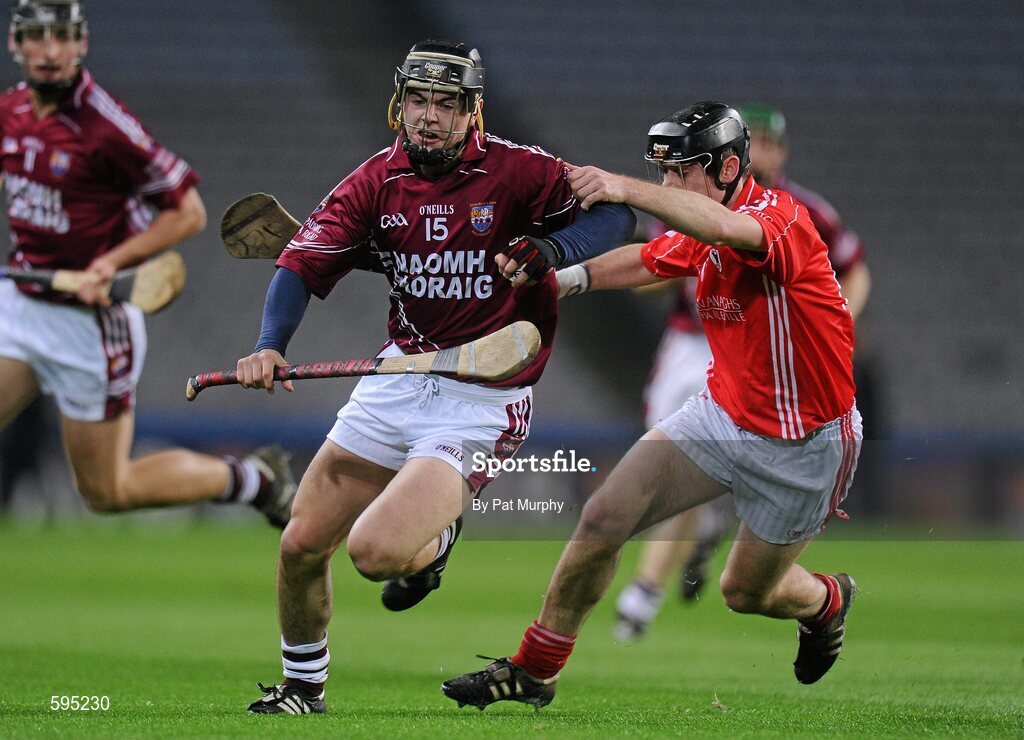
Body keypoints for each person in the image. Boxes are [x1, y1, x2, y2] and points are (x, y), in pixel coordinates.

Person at [237, 40, 635, 715]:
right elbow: (300, 263)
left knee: (372, 552)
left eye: (445, 104)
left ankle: (437, 539)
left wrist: (551, 249)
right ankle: (303, 689)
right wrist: (269, 345)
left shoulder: (519, 171)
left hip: (484, 396)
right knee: (301, 543)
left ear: (471, 111)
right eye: (418, 100)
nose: (428, 117)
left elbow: (617, 213)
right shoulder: (376, 180)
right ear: (400, 102)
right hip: (402, 374)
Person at [442, 101, 862, 710]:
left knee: (745, 592)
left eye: (679, 172)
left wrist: (623, 188)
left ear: (726, 169)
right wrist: (556, 279)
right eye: (660, 173)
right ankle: (535, 670)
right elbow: (647, 258)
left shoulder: (778, 219)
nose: (667, 187)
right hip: (722, 416)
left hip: (808, 443)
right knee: (603, 518)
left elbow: (720, 231)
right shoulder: (702, 224)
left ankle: (827, 601)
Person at [0, 1, 295, 526]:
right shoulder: (11, 112)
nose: (50, 51)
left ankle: (252, 479)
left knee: (107, 490)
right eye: (37, 37)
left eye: (62, 36)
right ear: (14, 45)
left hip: (91, 325)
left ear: (81, 44)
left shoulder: (105, 126)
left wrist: (107, 263)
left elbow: (188, 212)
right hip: (20, 305)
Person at [612, 103, 871, 641]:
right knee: (658, 467)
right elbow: (655, 268)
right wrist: (572, 276)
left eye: (772, 142)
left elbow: (851, 266)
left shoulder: (801, 210)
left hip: (775, 365)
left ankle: (707, 534)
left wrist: (832, 314)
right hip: (696, 341)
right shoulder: (686, 195)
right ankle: (650, 585)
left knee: (745, 588)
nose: (767, 151)